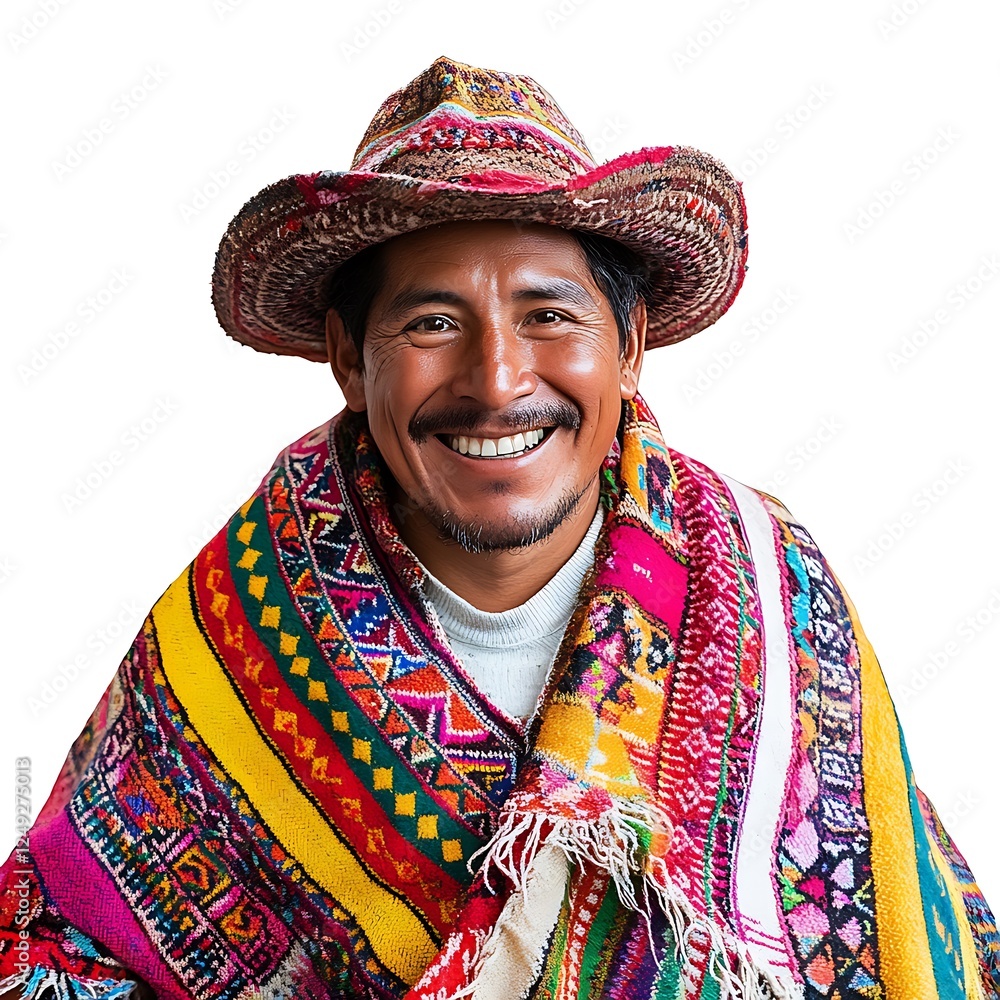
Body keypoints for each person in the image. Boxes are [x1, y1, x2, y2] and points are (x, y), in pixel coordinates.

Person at [0, 54, 997, 1000]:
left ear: (630, 345)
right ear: (350, 359)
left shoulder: (769, 591)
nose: (496, 382)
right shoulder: (231, 629)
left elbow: (909, 940)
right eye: (431, 323)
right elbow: (52, 938)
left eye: (548, 316)